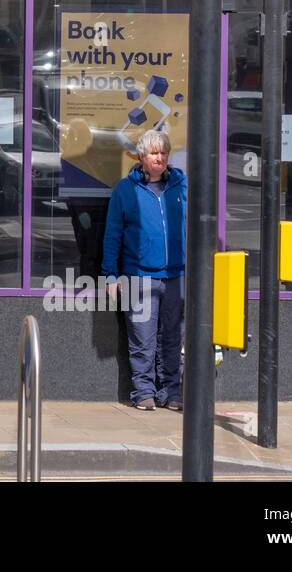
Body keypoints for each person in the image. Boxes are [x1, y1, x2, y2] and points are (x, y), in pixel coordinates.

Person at [102, 129, 187, 412]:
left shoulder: (181, 186)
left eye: (163, 152)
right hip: (138, 275)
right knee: (142, 338)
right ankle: (143, 392)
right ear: (141, 156)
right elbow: (113, 234)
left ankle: (171, 392)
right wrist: (111, 274)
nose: (159, 158)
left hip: (175, 275)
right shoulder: (125, 190)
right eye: (154, 153)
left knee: (172, 337)